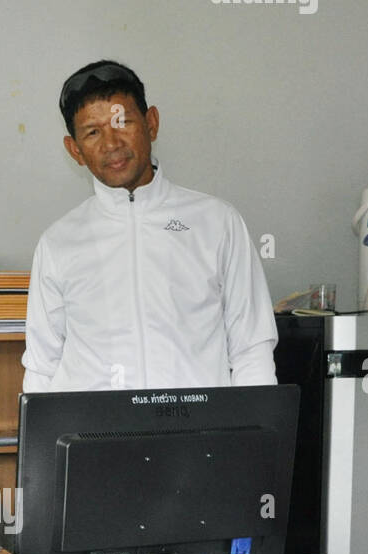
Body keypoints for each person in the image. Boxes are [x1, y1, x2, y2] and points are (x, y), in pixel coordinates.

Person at [22, 60, 278, 393]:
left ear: (151, 123)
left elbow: (251, 348)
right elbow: (42, 365)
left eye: (122, 122)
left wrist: (253, 439)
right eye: (93, 132)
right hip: (95, 441)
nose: (111, 143)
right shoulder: (58, 243)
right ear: (76, 151)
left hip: (195, 437)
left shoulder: (217, 223)